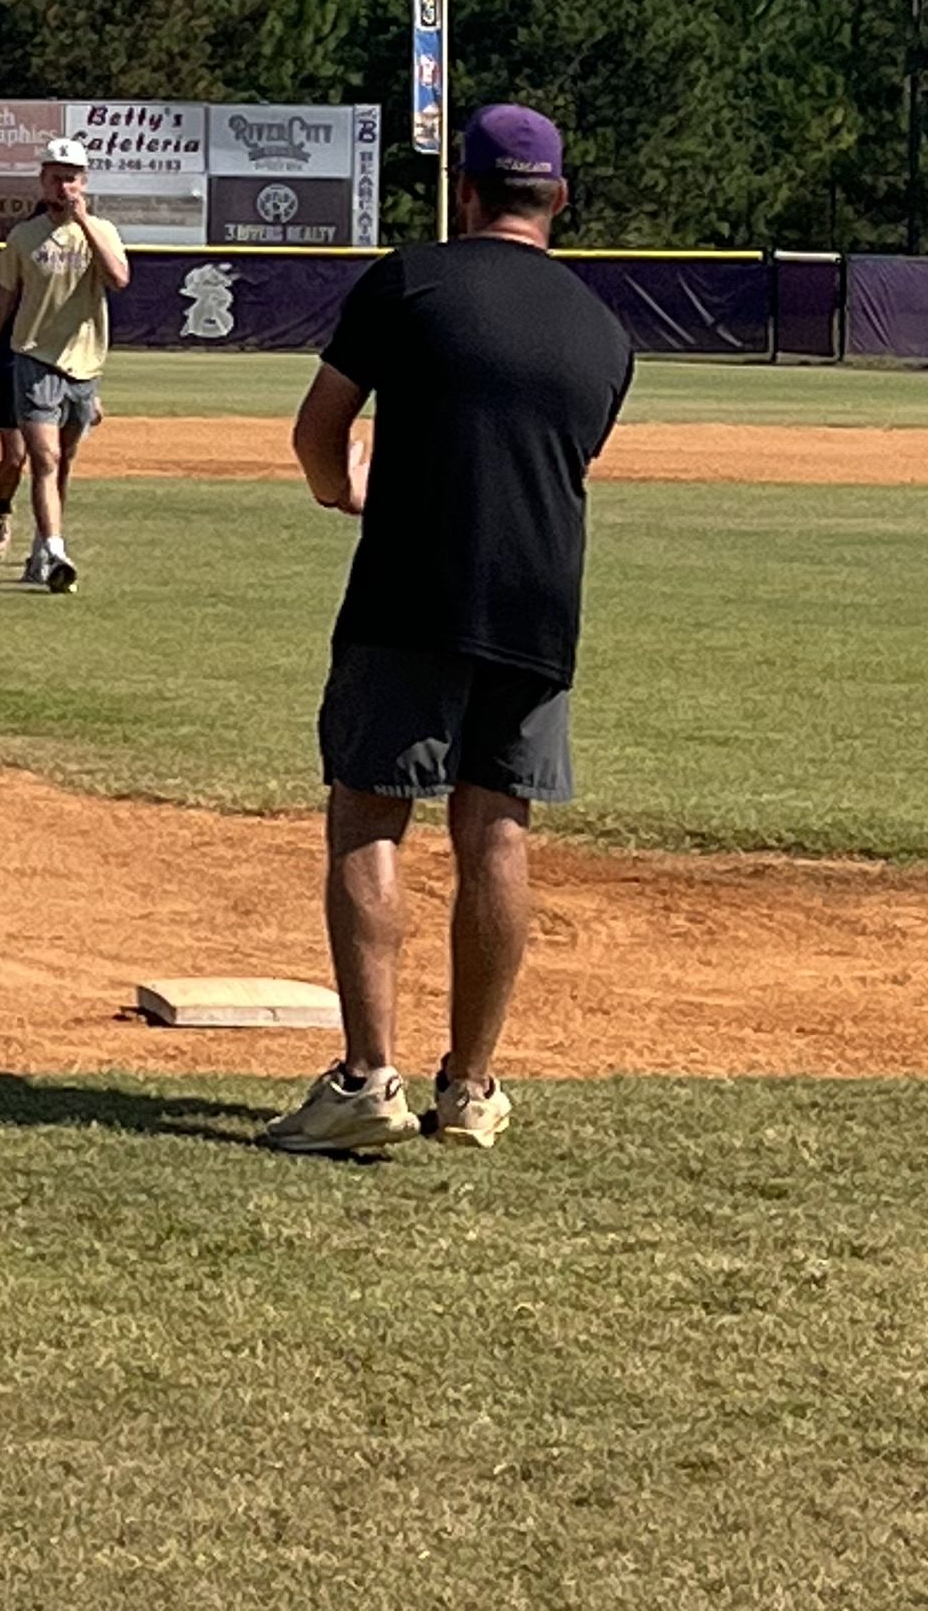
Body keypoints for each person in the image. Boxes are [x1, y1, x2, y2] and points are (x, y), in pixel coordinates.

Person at [262, 103, 634, 1160]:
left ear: (464, 191)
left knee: (371, 816)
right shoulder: (603, 331)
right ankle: (470, 1088)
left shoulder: (410, 281)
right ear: (558, 200)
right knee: (496, 829)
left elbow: (319, 430)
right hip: (540, 604)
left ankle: (367, 1081)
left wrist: (344, 492)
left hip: (411, 593)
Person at [0, 135, 130, 592]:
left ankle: (40, 549)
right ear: (42, 182)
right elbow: (0, 305)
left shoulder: (102, 232)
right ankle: (54, 550)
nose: (63, 186)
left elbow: (119, 278)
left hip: (85, 365)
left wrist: (84, 221)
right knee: (43, 457)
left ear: (83, 182)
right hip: (33, 357)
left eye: (71, 178)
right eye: (55, 177)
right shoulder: (24, 237)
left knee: (63, 462)